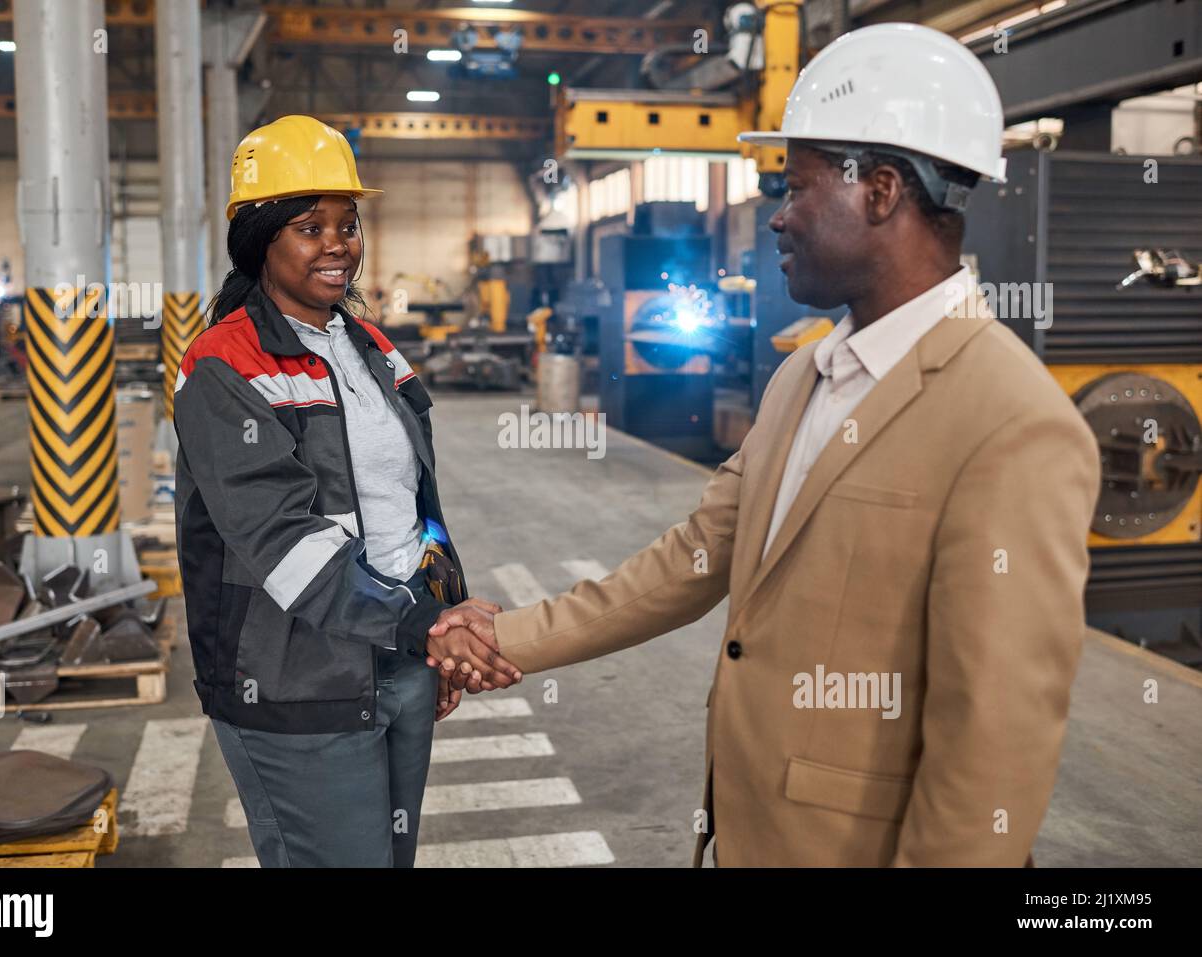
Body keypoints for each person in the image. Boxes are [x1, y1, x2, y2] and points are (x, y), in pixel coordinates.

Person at [433, 24, 1101, 867]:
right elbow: (693, 557)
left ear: (881, 190)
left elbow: (996, 732)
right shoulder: (804, 376)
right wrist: (508, 636)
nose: (778, 216)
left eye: (797, 186)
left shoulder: (1013, 424)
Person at [173, 115, 517, 868]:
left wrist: (443, 606)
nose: (338, 243)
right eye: (309, 225)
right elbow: (284, 541)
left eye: (348, 224)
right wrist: (424, 626)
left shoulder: (371, 348)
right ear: (260, 238)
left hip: (400, 662)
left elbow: (414, 503)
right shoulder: (223, 367)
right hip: (295, 684)